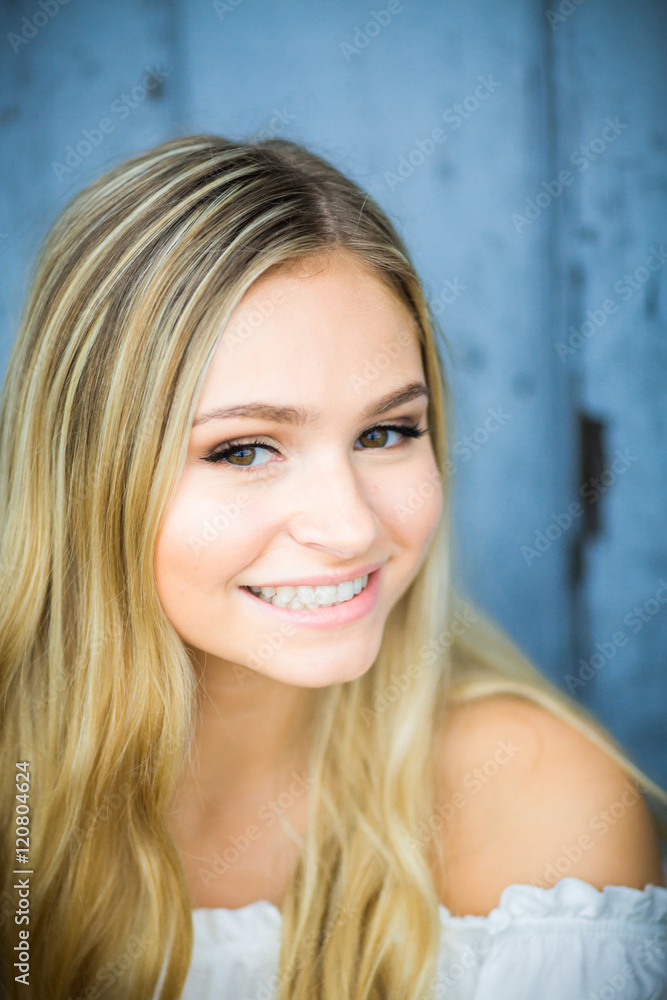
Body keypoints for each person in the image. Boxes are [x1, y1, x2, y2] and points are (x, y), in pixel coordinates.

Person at [0, 134, 665, 1000]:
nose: (351, 527)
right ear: (86, 470)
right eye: (242, 449)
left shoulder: (533, 801)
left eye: (384, 433)